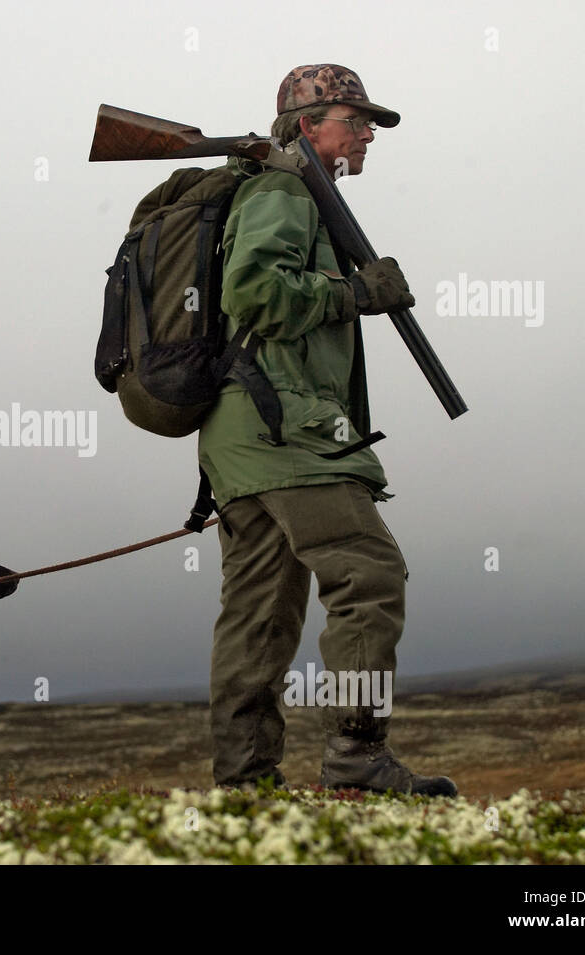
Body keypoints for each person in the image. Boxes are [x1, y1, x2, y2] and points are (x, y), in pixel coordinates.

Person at [197, 64, 457, 796]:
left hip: (241, 439)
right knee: (369, 574)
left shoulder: (278, 189)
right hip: (289, 431)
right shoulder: (283, 188)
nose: (370, 132)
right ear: (309, 125)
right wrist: (356, 292)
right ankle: (357, 760)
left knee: (259, 612)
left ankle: (244, 783)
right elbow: (255, 291)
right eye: (356, 118)